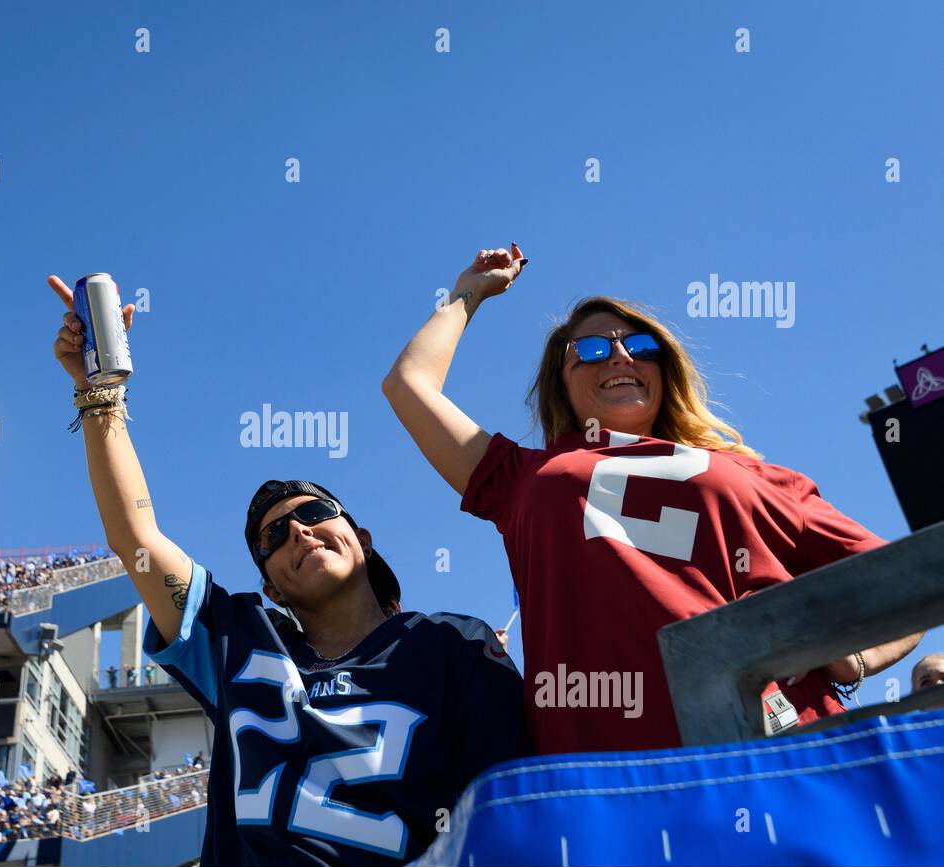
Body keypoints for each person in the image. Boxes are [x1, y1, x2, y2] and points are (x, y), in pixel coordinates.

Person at [49, 275, 530, 865]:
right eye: (274, 536)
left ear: (363, 539)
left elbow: (509, 809)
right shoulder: (238, 642)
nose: (298, 530)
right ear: (270, 585)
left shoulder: (453, 643)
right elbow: (136, 537)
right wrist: (101, 394)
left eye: (314, 513)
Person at [383, 245, 924, 755]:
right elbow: (409, 385)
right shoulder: (522, 477)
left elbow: (904, 582)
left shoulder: (756, 475)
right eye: (591, 349)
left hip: (776, 745)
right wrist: (470, 290)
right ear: (561, 384)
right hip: (611, 781)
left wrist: (854, 655)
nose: (619, 354)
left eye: (639, 345)